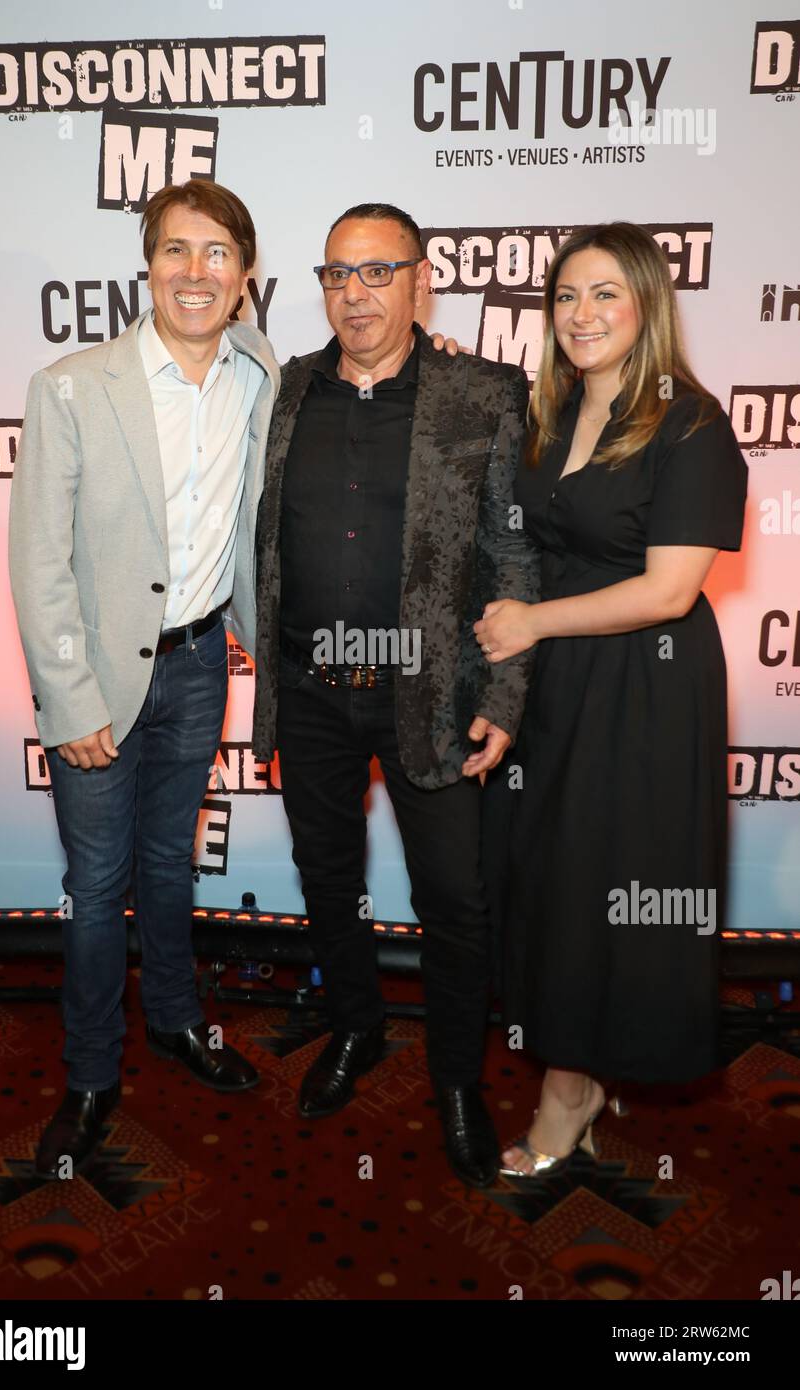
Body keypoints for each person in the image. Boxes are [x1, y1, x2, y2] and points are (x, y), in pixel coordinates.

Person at [251, 202, 539, 1186]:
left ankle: (457, 1079)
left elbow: (512, 555)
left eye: (378, 272)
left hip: (432, 695)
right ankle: (357, 1028)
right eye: (337, 274)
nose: (355, 293)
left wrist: (502, 696)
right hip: (307, 686)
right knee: (326, 877)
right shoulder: (285, 389)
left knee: (452, 901)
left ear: (422, 281)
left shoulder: (484, 394)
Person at [8, 180, 280, 1178]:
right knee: (95, 889)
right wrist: (68, 698)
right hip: (100, 682)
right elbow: (39, 561)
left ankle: (175, 1021)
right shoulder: (74, 385)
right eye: (175, 250)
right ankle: (88, 1074)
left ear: (245, 277)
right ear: (147, 265)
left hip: (203, 662)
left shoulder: (262, 376)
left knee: (169, 866)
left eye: (216, 253)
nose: (194, 271)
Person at [473, 221, 747, 1178]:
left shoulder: (692, 424)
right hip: (559, 684)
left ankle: (567, 1093)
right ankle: (578, 1072)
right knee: (554, 879)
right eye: (565, 298)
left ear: (647, 307)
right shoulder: (550, 411)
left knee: (605, 884)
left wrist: (535, 626)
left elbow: (671, 589)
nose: (580, 316)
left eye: (605, 296)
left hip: (647, 684)